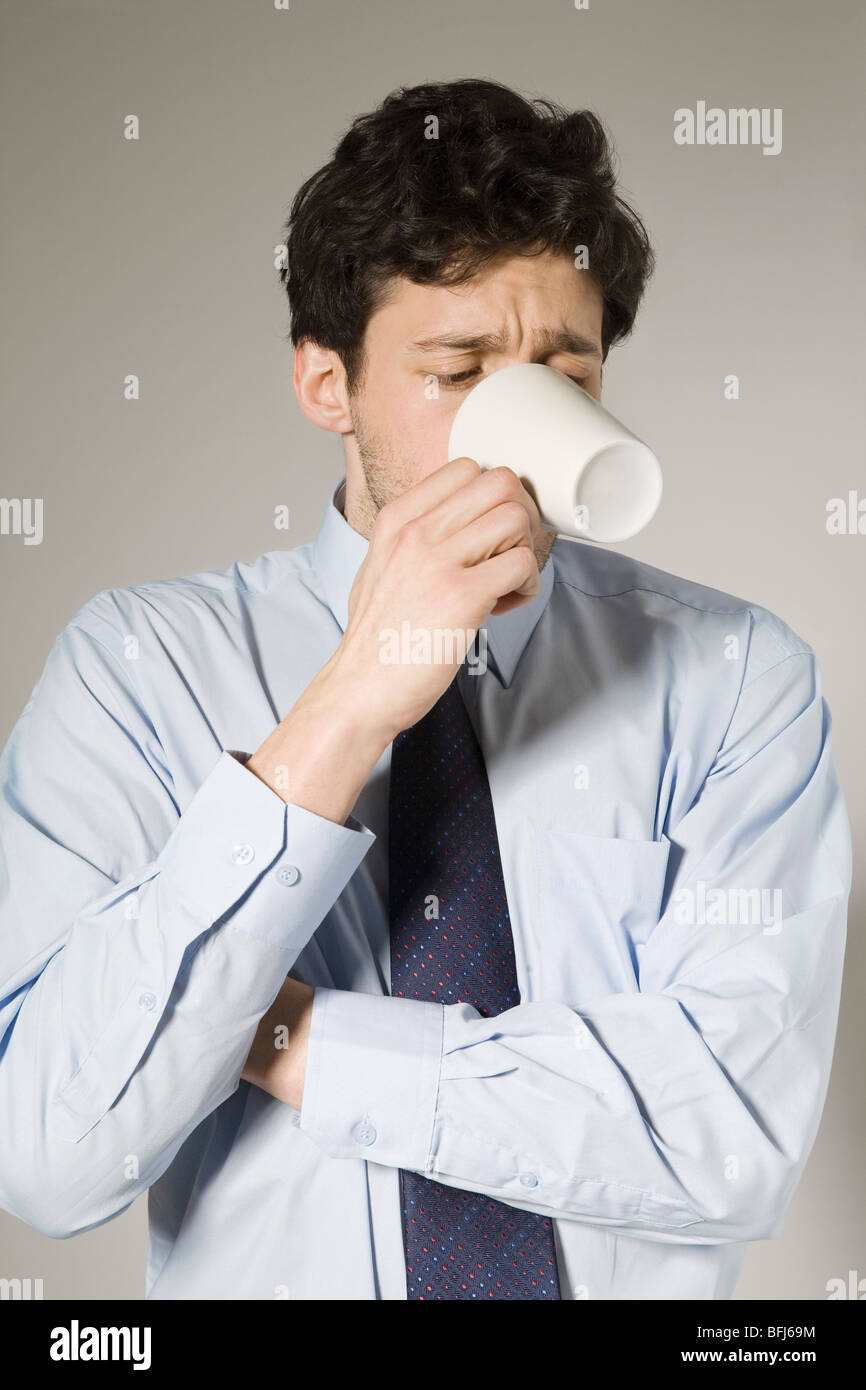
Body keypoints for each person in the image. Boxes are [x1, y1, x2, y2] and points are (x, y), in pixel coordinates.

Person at [0, 78, 850, 1301]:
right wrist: (347, 705)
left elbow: (726, 1138)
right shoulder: (137, 669)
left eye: (567, 369)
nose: (525, 422)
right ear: (325, 384)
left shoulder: (727, 678)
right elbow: (49, 1157)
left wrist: (282, 1035)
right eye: (458, 369)